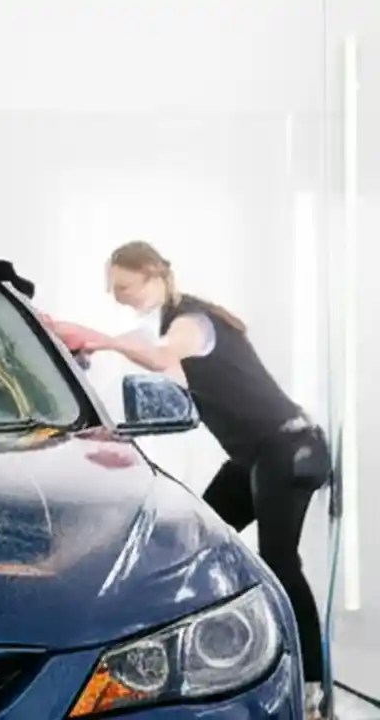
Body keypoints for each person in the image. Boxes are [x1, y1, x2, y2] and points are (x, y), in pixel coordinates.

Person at [71, 240, 332, 716]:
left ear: (152, 275)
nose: (118, 297)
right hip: (254, 456)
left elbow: (161, 357)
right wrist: (86, 349)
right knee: (192, 538)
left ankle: (312, 687)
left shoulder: (193, 322)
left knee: (279, 560)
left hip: (289, 449)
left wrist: (102, 339)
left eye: (123, 287)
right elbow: (147, 360)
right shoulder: (175, 322)